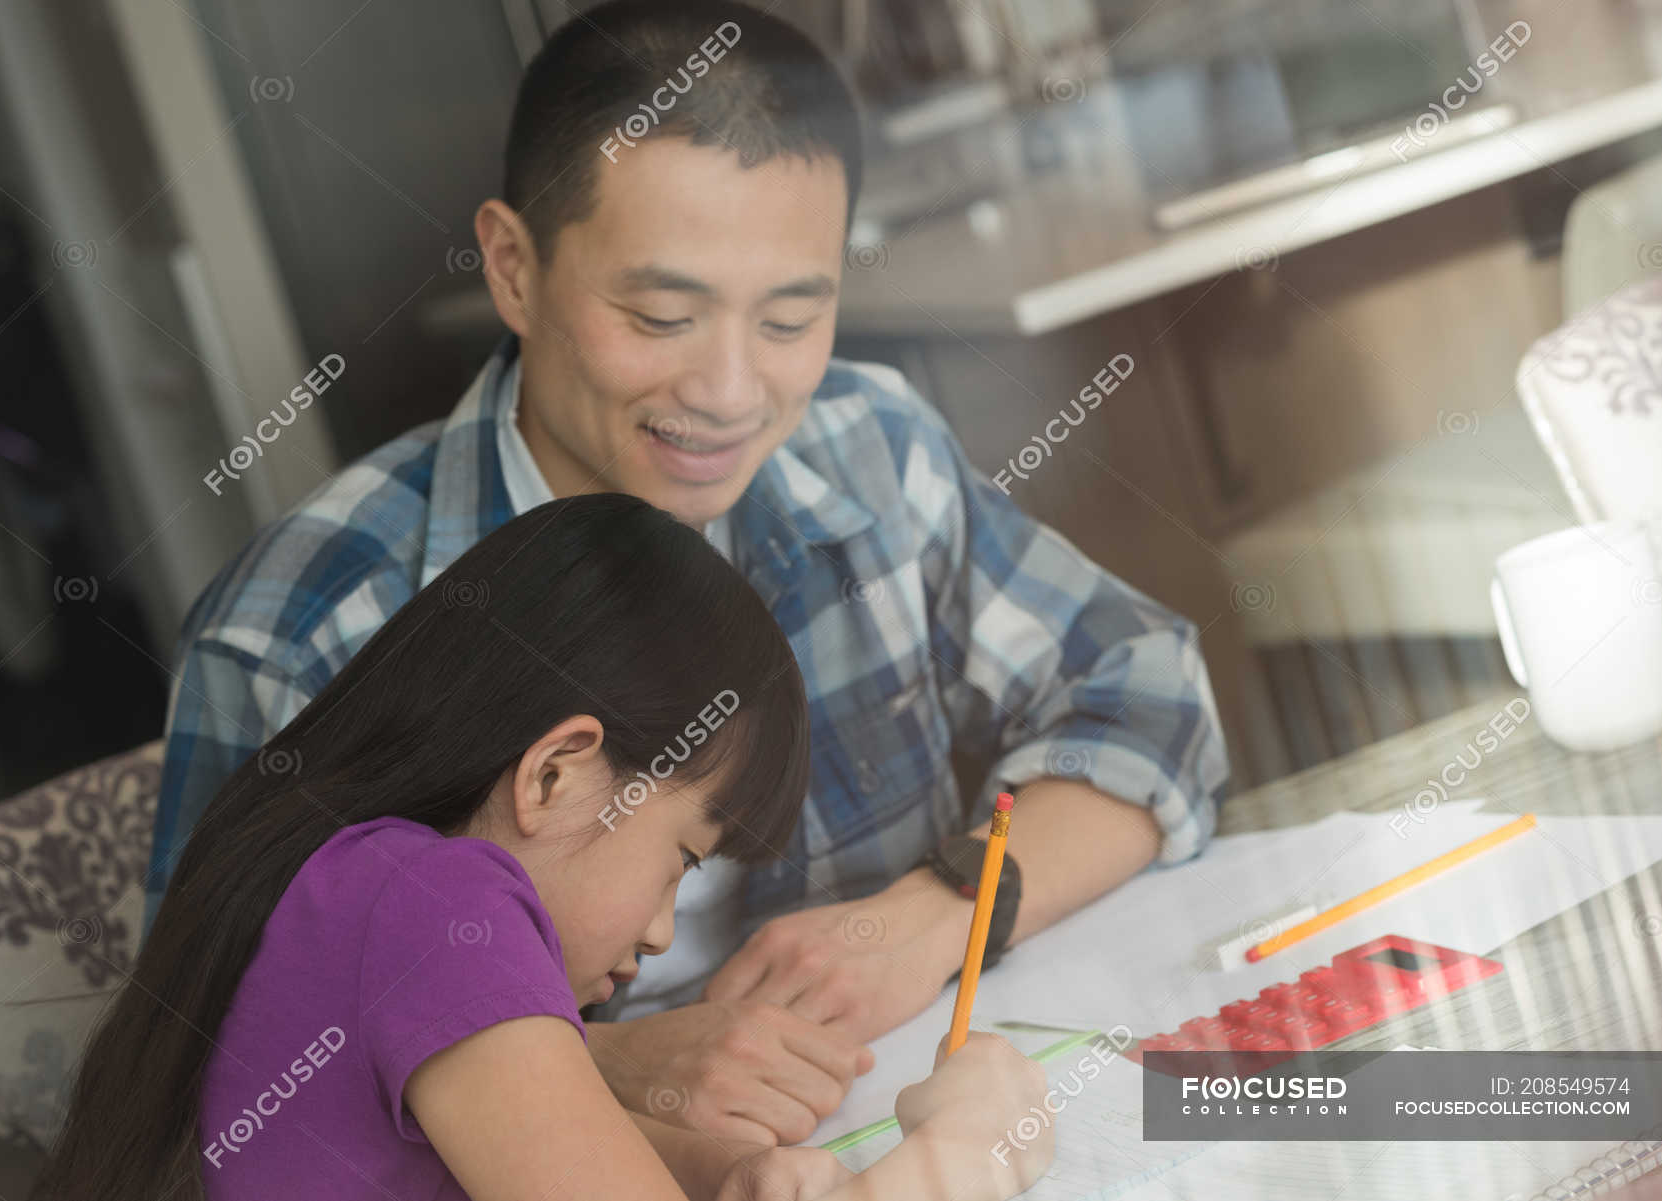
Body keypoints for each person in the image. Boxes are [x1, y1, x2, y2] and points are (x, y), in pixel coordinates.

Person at [148, 0, 1229, 1146]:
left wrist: (937, 916)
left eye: (790, 318)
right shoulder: (304, 624)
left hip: (885, 1115)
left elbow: (1149, 690)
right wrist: (593, 1062)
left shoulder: (868, 451)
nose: (727, 391)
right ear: (514, 269)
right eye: (662, 314)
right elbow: (218, 1063)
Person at [32, 494, 1053, 1201]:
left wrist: (723, 1174)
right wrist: (963, 1150)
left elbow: (530, 1151)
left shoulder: (354, 881)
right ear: (556, 772)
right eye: (683, 859)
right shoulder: (433, 903)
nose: (660, 933)